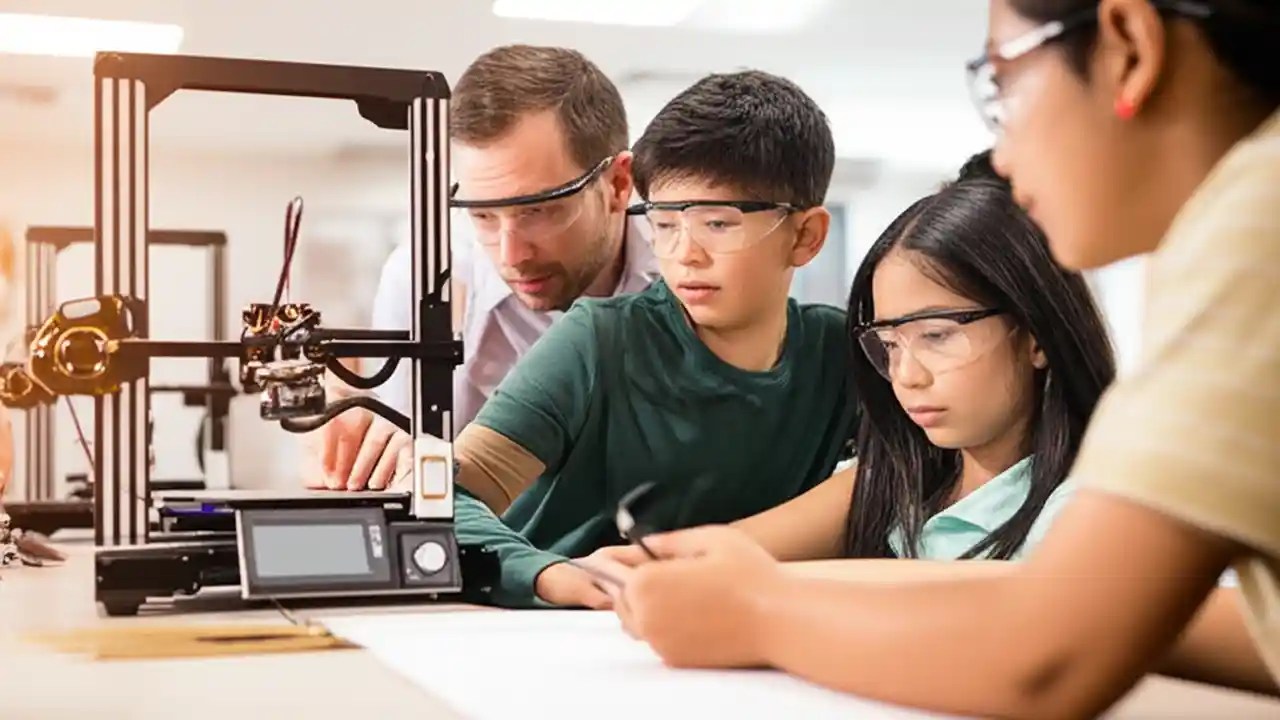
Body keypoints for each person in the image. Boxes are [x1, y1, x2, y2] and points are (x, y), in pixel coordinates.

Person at [608, 0, 1280, 715]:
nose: (1003, 154)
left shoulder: (1256, 219)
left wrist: (758, 613)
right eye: (889, 343)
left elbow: (1046, 661)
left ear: (1130, 43)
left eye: (1003, 87)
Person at [404, 69, 859, 610]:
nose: (685, 254)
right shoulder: (598, 339)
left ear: (805, 236)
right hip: (564, 629)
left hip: (726, 634)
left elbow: (907, 483)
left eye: (718, 224)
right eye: (665, 224)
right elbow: (436, 499)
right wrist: (550, 575)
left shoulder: (838, 353)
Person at [637, 151, 1113, 568]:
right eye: (889, 346)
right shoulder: (894, 481)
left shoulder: (1088, 509)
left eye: (936, 335)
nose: (906, 376)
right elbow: (720, 553)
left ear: (1035, 337)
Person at [307, 45, 658, 491]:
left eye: (539, 211)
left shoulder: (692, 272)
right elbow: (404, 465)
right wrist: (351, 445)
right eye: (482, 215)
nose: (510, 255)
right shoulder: (426, 275)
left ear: (618, 184)